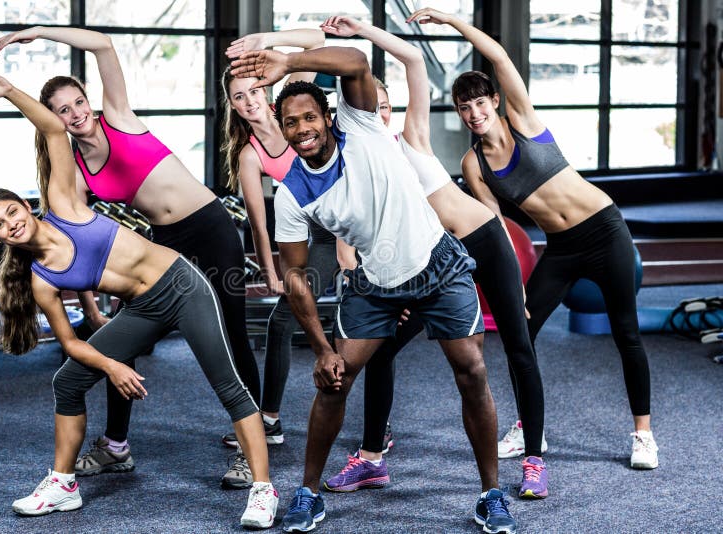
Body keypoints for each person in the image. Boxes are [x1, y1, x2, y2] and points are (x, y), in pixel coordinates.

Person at [0, 70, 277, 528]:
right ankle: (63, 483)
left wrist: (9, 91)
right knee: (68, 381)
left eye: (12, 210)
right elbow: (72, 344)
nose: (10, 223)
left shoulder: (63, 205)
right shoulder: (41, 281)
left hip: (182, 285)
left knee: (227, 385)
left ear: (25, 206)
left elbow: (53, 128)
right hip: (146, 307)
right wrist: (113, 364)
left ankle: (263, 491)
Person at [230, 45, 516, 534]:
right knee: (335, 379)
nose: (303, 129)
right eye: (292, 122)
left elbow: (357, 62)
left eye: (310, 117)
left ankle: (491, 493)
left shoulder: (360, 126)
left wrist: (288, 62)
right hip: (374, 283)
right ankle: (308, 493)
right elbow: (295, 277)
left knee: (471, 371)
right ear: (281, 124)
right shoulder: (295, 192)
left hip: (437, 266)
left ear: (327, 114)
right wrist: (321, 349)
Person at [408, 7, 659, 470]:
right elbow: (495, 225)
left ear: (496, 102)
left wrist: (451, 21)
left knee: (626, 332)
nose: (473, 113)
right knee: (521, 334)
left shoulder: (523, 120)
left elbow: (499, 56)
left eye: (480, 103)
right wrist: (513, 282)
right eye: (465, 108)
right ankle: (531, 429)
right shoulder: (472, 165)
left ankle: (643, 434)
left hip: (605, 230)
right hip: (560, 249)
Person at [319, 15, 548, 500]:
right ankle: (372, 458)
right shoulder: (358, 165)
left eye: (385, 107)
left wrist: (360, 28)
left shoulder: (411, 137)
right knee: (378, 350)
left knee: (518, 346)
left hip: (483, 240)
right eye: (371, 108)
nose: (379, 115)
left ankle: (532, 459)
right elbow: (355, 237)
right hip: (431, 265)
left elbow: (414, 58)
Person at [218, 28, 340, 487]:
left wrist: (267, 41)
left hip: (344, 231)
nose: (249, 102)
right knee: (280, 322)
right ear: (233, 107)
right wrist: (270, 273)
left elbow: (314, 42)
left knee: (360, 319)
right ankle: (269, 418)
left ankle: (373, 425)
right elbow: (258, 223)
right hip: (304, 241)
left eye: (253, 91)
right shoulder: (251, 156)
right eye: (239, 98)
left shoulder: (295, 107)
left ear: (266, 89)